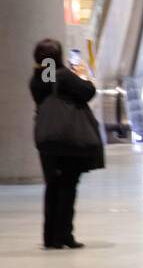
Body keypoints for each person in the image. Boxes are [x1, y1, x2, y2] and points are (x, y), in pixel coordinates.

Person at [29, 39, 105, 249]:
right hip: (68, 139)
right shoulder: (62, 75)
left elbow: (46, 88)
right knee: (68, 186)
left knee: (52, 185)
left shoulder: (37, 78)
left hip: (47, 138)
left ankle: (50, 237)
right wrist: (83, 76)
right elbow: (88, 92)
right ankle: (64, 235)